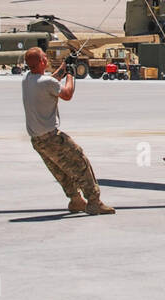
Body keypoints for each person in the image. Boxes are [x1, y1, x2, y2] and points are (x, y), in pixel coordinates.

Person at [22, 47, 115, 215]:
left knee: (60, 170)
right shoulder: (47, 83)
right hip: (51, 137)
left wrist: (65, 67)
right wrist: (71, 76)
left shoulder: (28, 79)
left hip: (36, 139)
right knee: (80, 161)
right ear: (43, 62)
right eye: (45, 57)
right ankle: (94, 201)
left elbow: (50, 81)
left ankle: (75, 200)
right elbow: (67, 93)